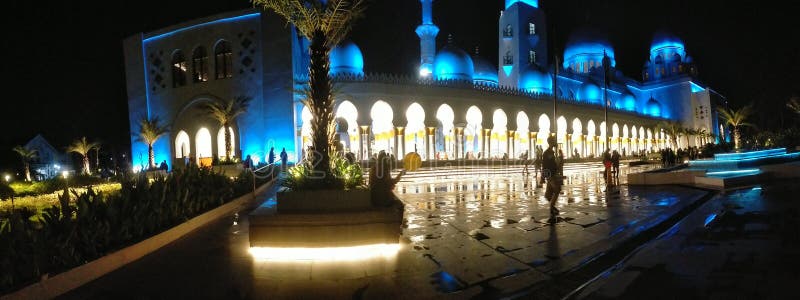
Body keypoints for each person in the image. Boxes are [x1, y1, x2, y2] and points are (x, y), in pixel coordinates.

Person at [542, 136, 563, 217]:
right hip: (550, 175)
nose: (555, 142)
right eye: (554, 141)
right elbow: (544, 165)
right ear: (551, 142)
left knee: (553, 191)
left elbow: (554, 164)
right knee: (557, 190)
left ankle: (551, 205)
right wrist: (543, 177)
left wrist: (560, 157)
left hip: (553, 174)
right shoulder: (547, 153)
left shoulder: (552, 152)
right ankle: (551, 207)